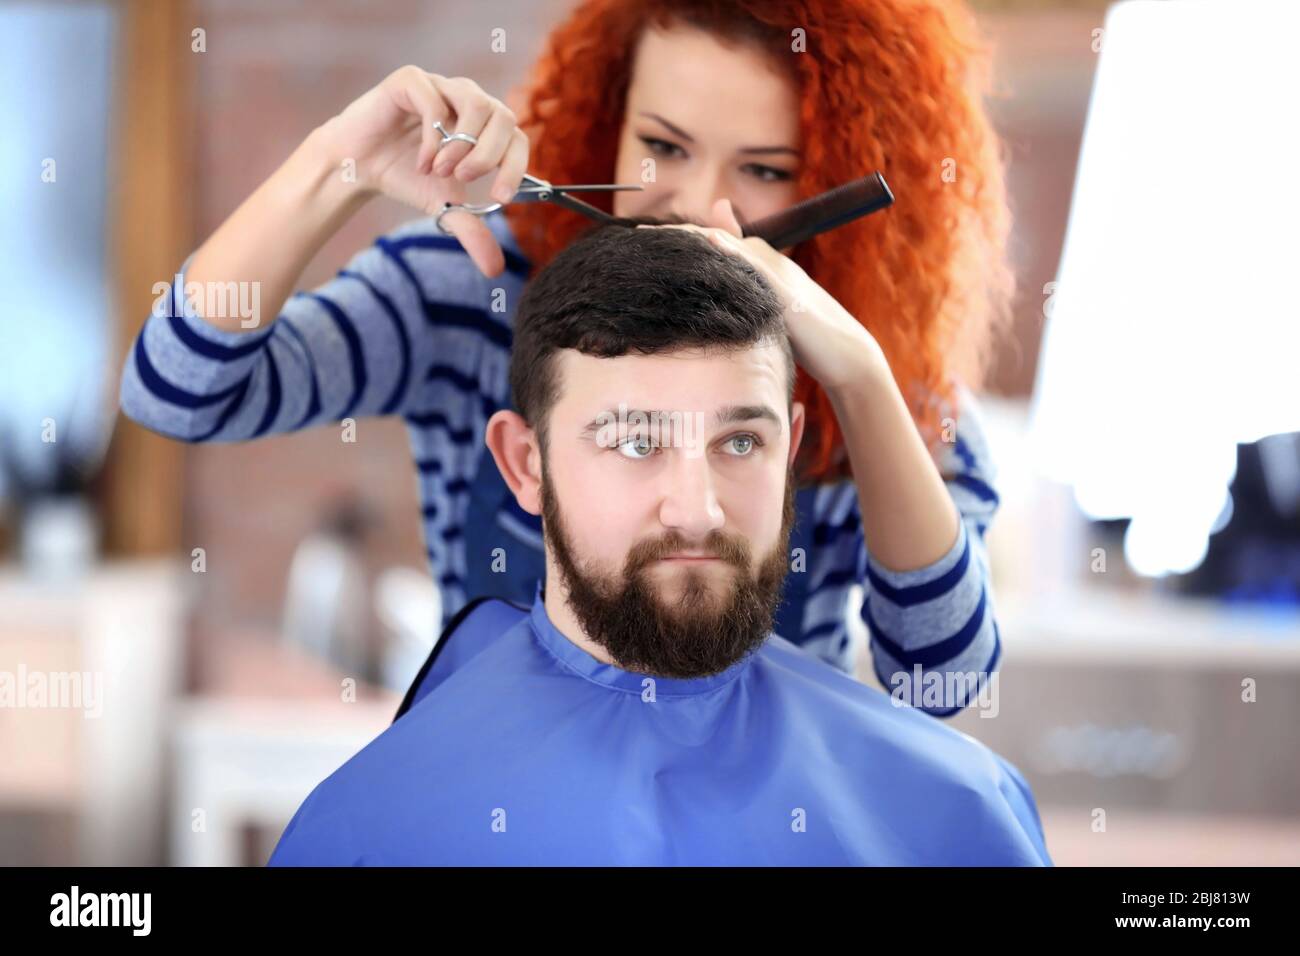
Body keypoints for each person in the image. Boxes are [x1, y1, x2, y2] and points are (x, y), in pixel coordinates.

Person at [118, 0, 1012, 713]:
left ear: (833, 174)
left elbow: (943, 680)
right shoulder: (471, 288)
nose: (701, 210)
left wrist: (859, 378)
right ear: (607, 121)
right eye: (663, 146)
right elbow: (178, 392)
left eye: (765, 170)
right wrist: (335, 167)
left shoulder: (878, 371)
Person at [267, 223, 1049, 866]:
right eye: (636, 443)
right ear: (523, 464)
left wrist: (865, 375)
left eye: (740, 443)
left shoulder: (952, 810)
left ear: (792, 448)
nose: (698, 511)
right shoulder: (375, 830)